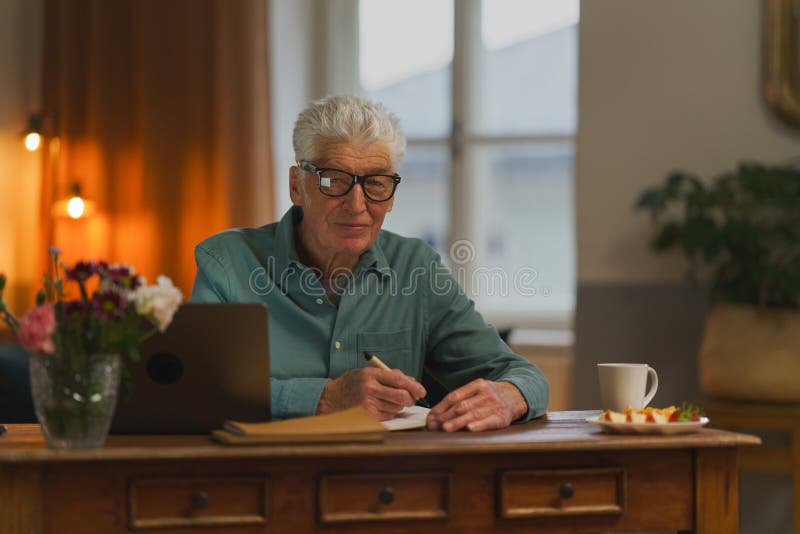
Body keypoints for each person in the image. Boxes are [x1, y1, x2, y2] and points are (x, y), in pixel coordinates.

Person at [190, 95, 548, 431]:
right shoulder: (228, 263)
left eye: (376, 183)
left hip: (384, 483)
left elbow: (522, 375)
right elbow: (195, 388)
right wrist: (322, 398)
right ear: (297, 186)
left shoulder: (416, 268)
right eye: (334, 181)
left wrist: (508, 397)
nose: (357, 204)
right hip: (261, 478)